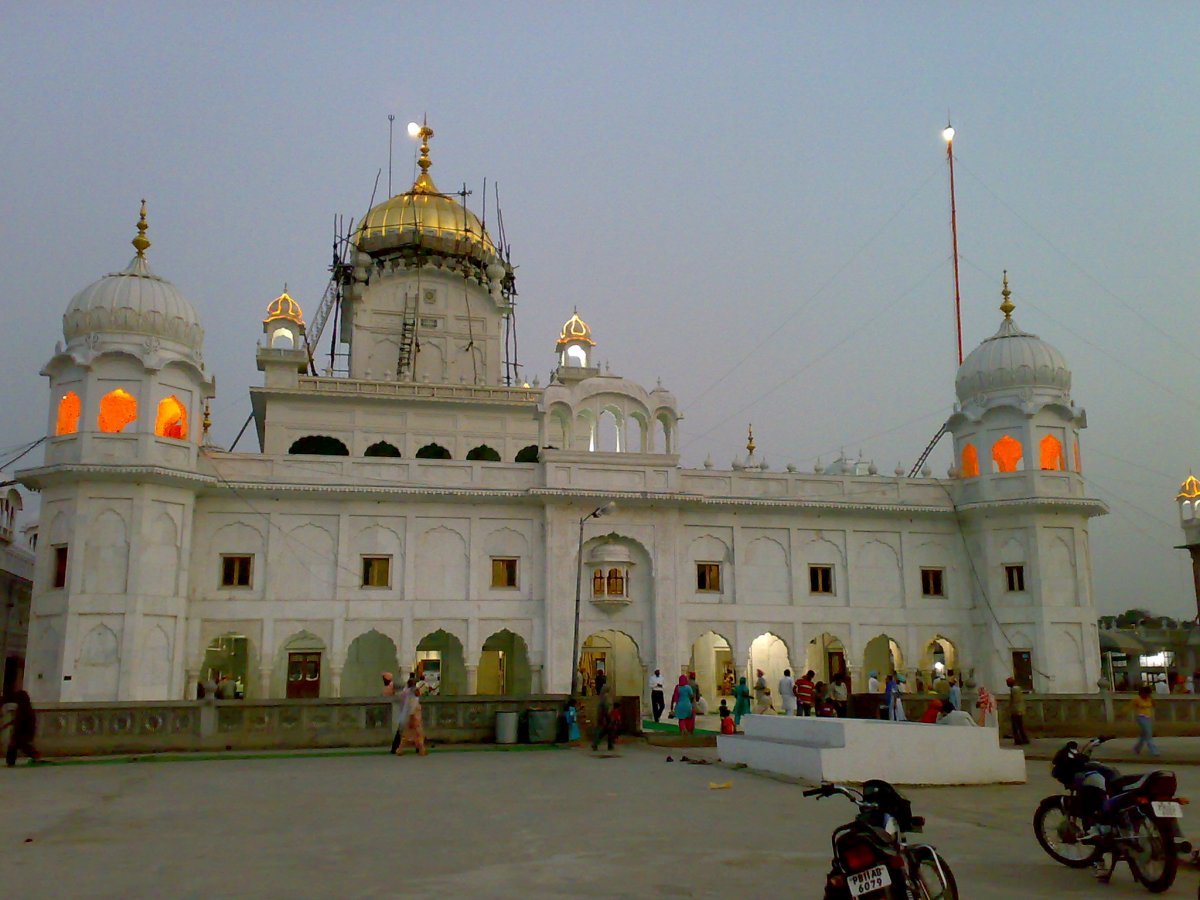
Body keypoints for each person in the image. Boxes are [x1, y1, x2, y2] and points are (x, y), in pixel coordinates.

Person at [2, 691, 39, 767]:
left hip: (23, 732)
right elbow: (17, 720)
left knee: (18, 746)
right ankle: (35, 756)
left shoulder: (24, 709)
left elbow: (22, 721)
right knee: (18, 746)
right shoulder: (24, 708)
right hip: (22, 732)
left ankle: (11, 762)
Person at [395, 676, 427, 756]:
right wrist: (412, 717)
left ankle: (400, 750)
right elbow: (412, 707)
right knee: (419, 734)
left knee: (406, 735)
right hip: (414, 716)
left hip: (410, 716)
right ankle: (421, 750)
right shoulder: (413, 695)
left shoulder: (407, 692)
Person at [1132, 685, 1159, 756]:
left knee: (1144, 734)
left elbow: (1154, 705)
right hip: (1141, 717)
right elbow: (1130, 707)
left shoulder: (1149, 699)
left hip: (1148, 717)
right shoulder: (1137, 699)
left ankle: (1136, 748)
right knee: (1148, 733)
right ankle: (1154, 751)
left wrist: (1152, 699)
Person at [592, 686, 619, 751]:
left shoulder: (601, 697)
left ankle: (597, 743)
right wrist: (610, 717)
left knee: (604, 731)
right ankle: (608, 745)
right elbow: (608, 708)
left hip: (602, 717)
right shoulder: (607, 697)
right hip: (607, 717)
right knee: (608, 731)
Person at [1007, 676, 1030, 745]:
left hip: (1016, 711)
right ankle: (1024, 739)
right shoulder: (1018, 689)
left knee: (1015, 727)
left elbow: (1014, 701)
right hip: (1020, 710)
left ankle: (1018, 740)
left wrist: (1010, 709)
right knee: (1020, 726)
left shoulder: (1014, 690)